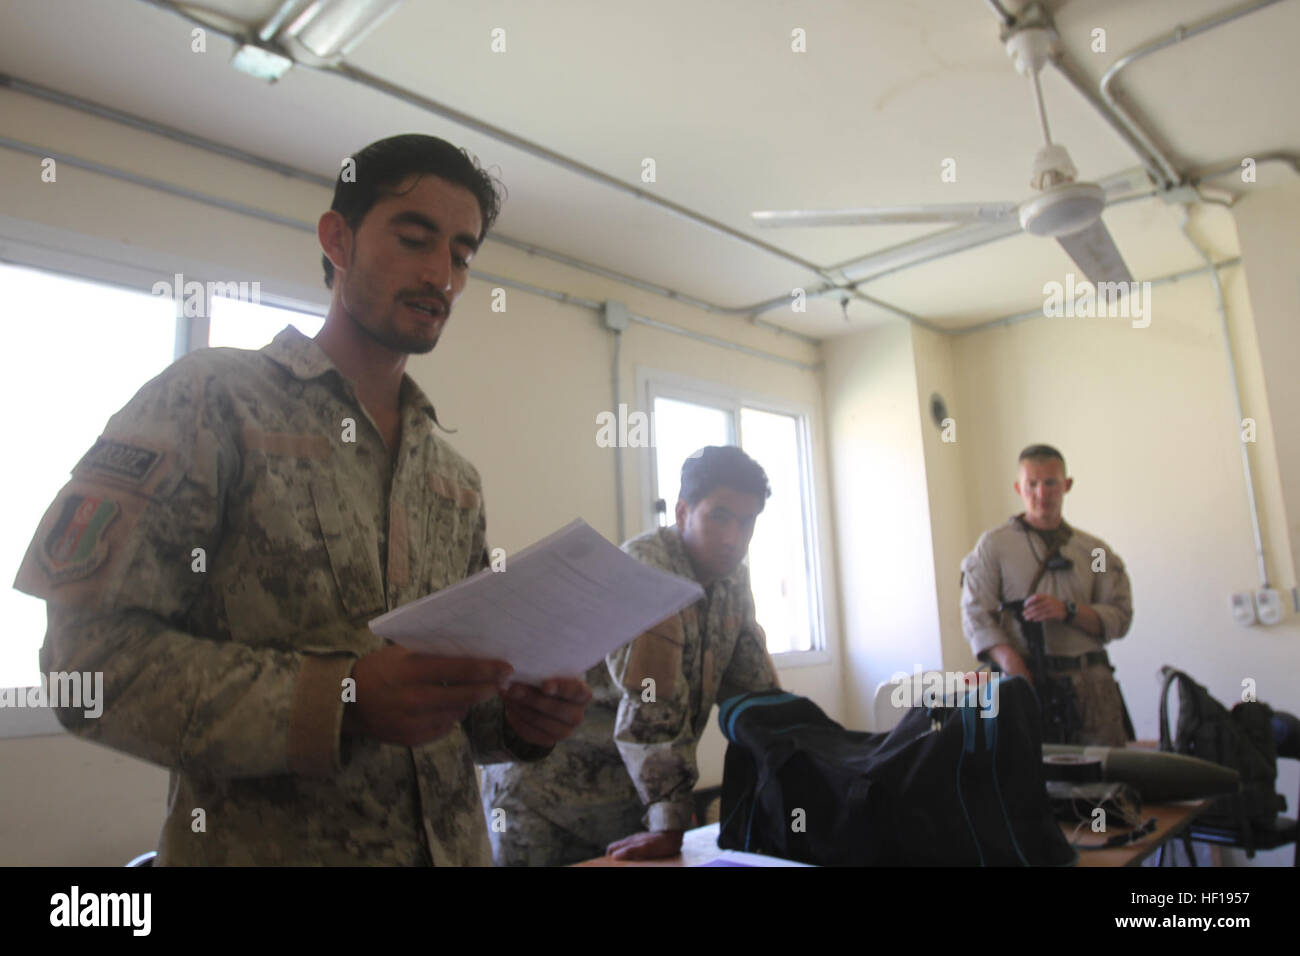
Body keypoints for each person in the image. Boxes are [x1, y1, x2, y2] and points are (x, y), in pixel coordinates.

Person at [12, 134, 590, 865]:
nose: (439, 274)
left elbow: (452, 713)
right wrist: (340, 698)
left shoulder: (454, 478)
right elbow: (86, 672)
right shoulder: (212, 403)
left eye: (462, 255)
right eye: (414, 239)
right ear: (338, 239)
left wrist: (520, 722)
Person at [481, 446, 781, 865]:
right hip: (546, 804)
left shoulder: (732, 581)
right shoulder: (648, 571)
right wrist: (669, 823)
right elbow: (651, 704)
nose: (733, 538)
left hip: (624, 804)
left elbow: (756, 695)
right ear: (682, 513)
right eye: (719, 516)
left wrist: (811, 763)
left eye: (746, 522)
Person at [960, 444, 1133, 746]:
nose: (1042, 493)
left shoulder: (1095, 552)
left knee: (1105, 782)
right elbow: (976, 614)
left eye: (1051, 483)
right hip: (1023, 686)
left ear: (1067, 485)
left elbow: (1119, 616)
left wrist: (1068, 611)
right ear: (1018, 488)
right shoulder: (993, 547)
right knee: (1027, 781)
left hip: (1091, 690)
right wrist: (1013, 667)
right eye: (1032, 484)